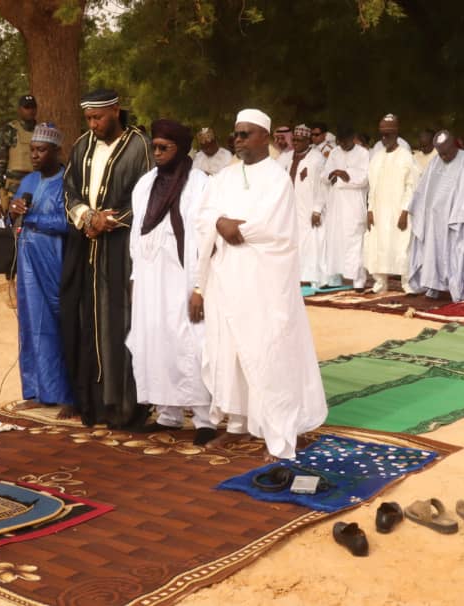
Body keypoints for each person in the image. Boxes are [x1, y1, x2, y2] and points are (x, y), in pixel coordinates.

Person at [195, 108, 327, 459]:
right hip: (227, 281)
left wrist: (235, 228)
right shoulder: (223, 177)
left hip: (265, 286)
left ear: (265, 137)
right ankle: (237, 425)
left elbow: (274, 229)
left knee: (270, 352)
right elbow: (204, 216)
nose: (238, 140)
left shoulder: (277, 179)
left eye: (246, 134)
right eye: (236, 134)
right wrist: (222, 223)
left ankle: (280, 432)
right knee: (230, 354)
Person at [61, 89, 152, 427]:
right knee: (89, 320)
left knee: (121, 321)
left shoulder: (139, 145)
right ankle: (94, 405)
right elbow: (68, 189)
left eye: (98, 117)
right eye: (89, 119)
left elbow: (146, 194)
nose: (93, 124)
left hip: (122, 247)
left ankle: (127, 407)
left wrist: (110, 220)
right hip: (87, 247)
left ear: (115, 111)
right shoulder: (82, 145)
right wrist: (86, 216)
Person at [126, 119, 216, 445]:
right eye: (155, 147)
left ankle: (204, 418)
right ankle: (168, 415)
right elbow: (137, 236)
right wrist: (135, 277)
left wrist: (199, 287)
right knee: (154, 341)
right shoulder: (145, 184)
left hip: (185, 278)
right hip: (151, 279)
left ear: (181, 148)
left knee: (191, 343)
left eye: (166, 148)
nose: (158, 153)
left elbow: (206, 240)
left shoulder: (200, 184)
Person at [7, 123, 76, 411]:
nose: (35, 155)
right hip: (27, 262)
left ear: (56, 151)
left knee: (60, 324)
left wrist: (35, 220)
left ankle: (67, 394)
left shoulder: (67, 182)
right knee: (31, 324)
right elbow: (15, 218)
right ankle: (37, 392)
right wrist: (14, 212)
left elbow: (69, 223)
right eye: (32, 150)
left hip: (55, 260)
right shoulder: (28, 182)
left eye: (41, 150)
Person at [405, 130, 464, 300]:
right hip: (434, 220)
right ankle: (433, 285)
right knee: (432, 252)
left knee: (454, 253)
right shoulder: (435, 161)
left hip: (454, 218)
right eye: (440, 153)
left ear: (454, 146)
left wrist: (460, 214)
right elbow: (423, 189)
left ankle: (456, 290)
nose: (443, 157)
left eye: (446, 153)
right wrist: (418, 209)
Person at [364, 114, 418, 293]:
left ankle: (406, 282)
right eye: (382, 134)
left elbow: (412, 187)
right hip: (379, 210)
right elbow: (372, 187)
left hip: (398, 210)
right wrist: (370, 210)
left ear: (396, 134)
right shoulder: (377, 157)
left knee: (402, 245)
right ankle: (380, 282)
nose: (384, 138)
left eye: (388, 134)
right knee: (378, 244)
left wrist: (405, 211)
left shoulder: (406, 157)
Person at [278, 124, 328, 287]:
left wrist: (317, 209)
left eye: (300, 140)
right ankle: (295, 276)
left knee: (311, 243)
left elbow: (323, 187)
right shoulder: (286, 157)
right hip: (290, 209)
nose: (296, 143)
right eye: (295, 140)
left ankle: (310, 277)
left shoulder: (316, 159)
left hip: (309, 209)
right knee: (292, 242)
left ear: (308, 140)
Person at [323, 125, 370, 290]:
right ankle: (336, 277)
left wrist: (345, 176)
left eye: (344, 141)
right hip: (336, 203)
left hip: (354, 204)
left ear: (353, 138)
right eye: (339, 141)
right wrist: (332, 176)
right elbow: (325, 175)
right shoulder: (335, 152)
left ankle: (359, 280)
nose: (341, 145)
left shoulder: (363, 153)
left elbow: (364, 179)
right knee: (336, 239)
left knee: (355, 240)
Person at [0, 94, 37, 217]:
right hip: (14, 191)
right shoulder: (9, 131)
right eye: (26, 107)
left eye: (33, 107)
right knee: (14, 230)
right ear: (19, 109)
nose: (30, 110)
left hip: (37, 188)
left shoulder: (41, 131)